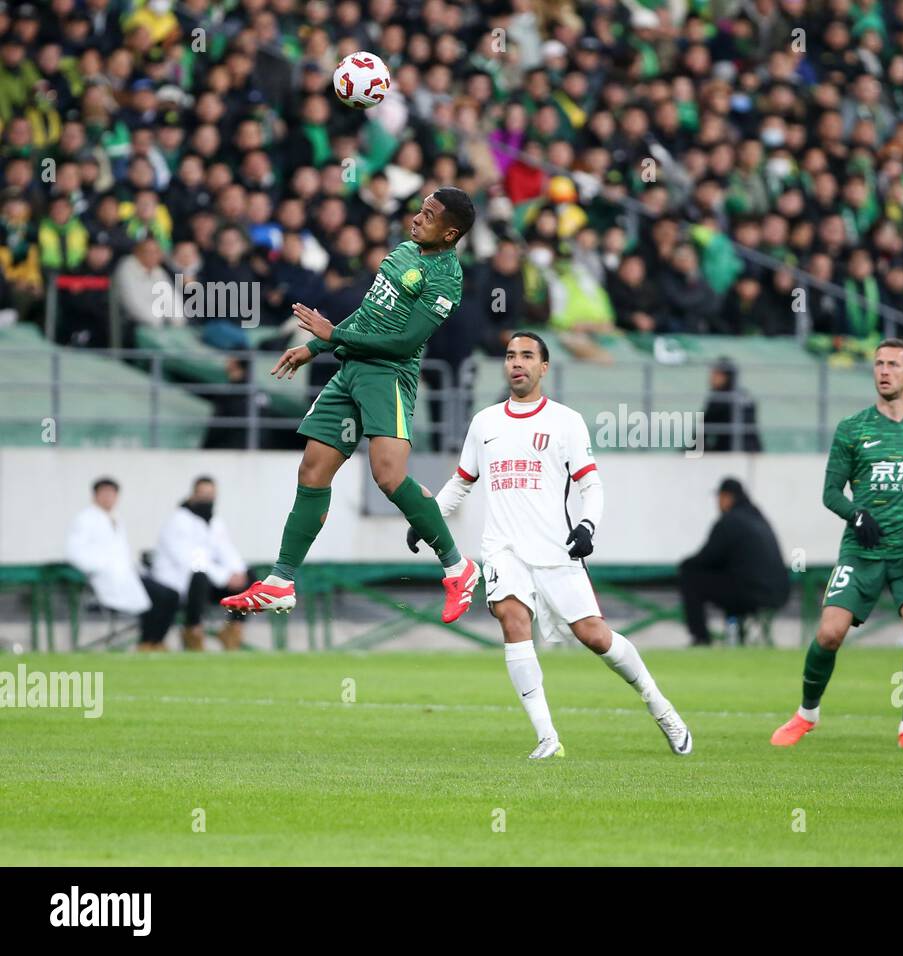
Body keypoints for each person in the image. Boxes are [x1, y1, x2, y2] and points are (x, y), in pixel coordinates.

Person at [408, 331, 692, 759]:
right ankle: (547, 738)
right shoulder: (484, 422)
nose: (516, 363)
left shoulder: (565, 421)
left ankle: (661, 707)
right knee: (512, 620)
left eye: (526, 356)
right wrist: (426, 516)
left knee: (595, 637)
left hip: (557, 550)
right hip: (503, 549)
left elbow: (592, 485)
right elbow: (461, 484)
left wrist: (587, 526)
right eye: (509, 356)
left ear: (544, 367)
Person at [220, 188, 481, 624]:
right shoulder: (403, 249)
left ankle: (458, 568)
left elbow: (403, 342)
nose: (417, 218)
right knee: (312, 471)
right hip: (349, 371)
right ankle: (280, 582)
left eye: (429, 215)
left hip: (388, 377)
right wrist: (316, 345)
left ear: (451, 232)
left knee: (388, 476)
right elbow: (368, 314)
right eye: (419, 209)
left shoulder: (446, 278)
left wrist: (331, 335)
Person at [770, 338, 903, 752]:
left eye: (893, 364)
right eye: (879, 364)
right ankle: (806, 714)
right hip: (862, 549)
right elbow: (830, 492)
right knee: (830, 633)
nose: (884, 371)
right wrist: (857, 515)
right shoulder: (853, 428)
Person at [679, 477, 791, 646]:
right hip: (779, 593)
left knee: (690, 576)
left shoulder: (729, 521)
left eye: (720, 497)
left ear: (727, 497)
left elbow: (707, 557)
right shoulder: (758, 518)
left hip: (751, 594)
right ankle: (735, 637)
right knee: (728, 582)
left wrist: (684, 565)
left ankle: (701, 638)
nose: (718, 503)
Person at [64, 477, 172, 650]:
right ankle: (146, 642)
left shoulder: (116, 519)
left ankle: (154, 641)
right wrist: (102, 568)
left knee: (169, 595)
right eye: (104, 493)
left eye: (112, 494)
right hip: (105, 579)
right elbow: (74, 552)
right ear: (95, 496)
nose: (108, 498)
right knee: (155, 597)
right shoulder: (84, 519)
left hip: (126, 576)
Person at [150, 477, 249, 651]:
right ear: (193, 495)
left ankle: (233, 629)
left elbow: (226, 549)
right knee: (199, 577)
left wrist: (237, 572)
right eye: (203, 494)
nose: (207, 499)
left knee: (249, 577)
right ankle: (192, 630)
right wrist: (225, 577)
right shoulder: (178, 520)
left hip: (208, 582)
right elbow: (190, 560)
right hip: (178, 582)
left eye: (211, 494)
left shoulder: (214, 521)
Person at [701, 357, 762, 452]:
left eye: (716, 374)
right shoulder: (746, 396)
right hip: (754, 451)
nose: (711, 378)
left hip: (728, 453)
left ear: (727, 377)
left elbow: (702, 431)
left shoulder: (720, 397)